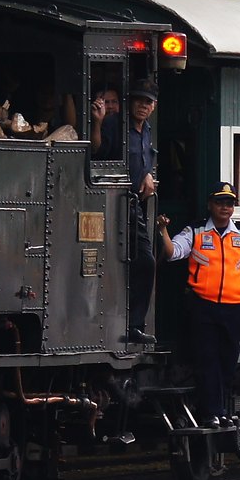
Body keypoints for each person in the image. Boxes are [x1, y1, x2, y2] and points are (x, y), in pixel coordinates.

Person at [157, 182, 240, 425]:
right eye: (220, 202)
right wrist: (163, 230)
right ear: (210, 205)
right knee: (207, 361)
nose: (225, 208)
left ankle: (222, 411)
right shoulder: (195, 231)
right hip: (203, 306)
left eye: (229, 203)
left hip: (233, 307)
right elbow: (173, 252)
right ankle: (212, 413)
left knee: (228, 363)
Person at [99, 79, 159, 342]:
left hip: (135, 204)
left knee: (145, 262)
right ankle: (129, 325)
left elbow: (144, 159)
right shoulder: (115, 124)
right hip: (114, 201)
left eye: (147, 102)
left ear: (153, 106)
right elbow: (99, 153)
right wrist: (96, 124)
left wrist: (146, 174)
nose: (142, 106)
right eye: (138, 100)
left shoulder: (146, 130)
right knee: (141, 261)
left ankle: (133, 325)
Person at [87, 82, 121, 157]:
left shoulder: (123, 126)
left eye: (114, 102)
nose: (110, 106)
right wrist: (97, 121)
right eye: (106, 102)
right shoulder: (89, 125)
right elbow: (95, 150)